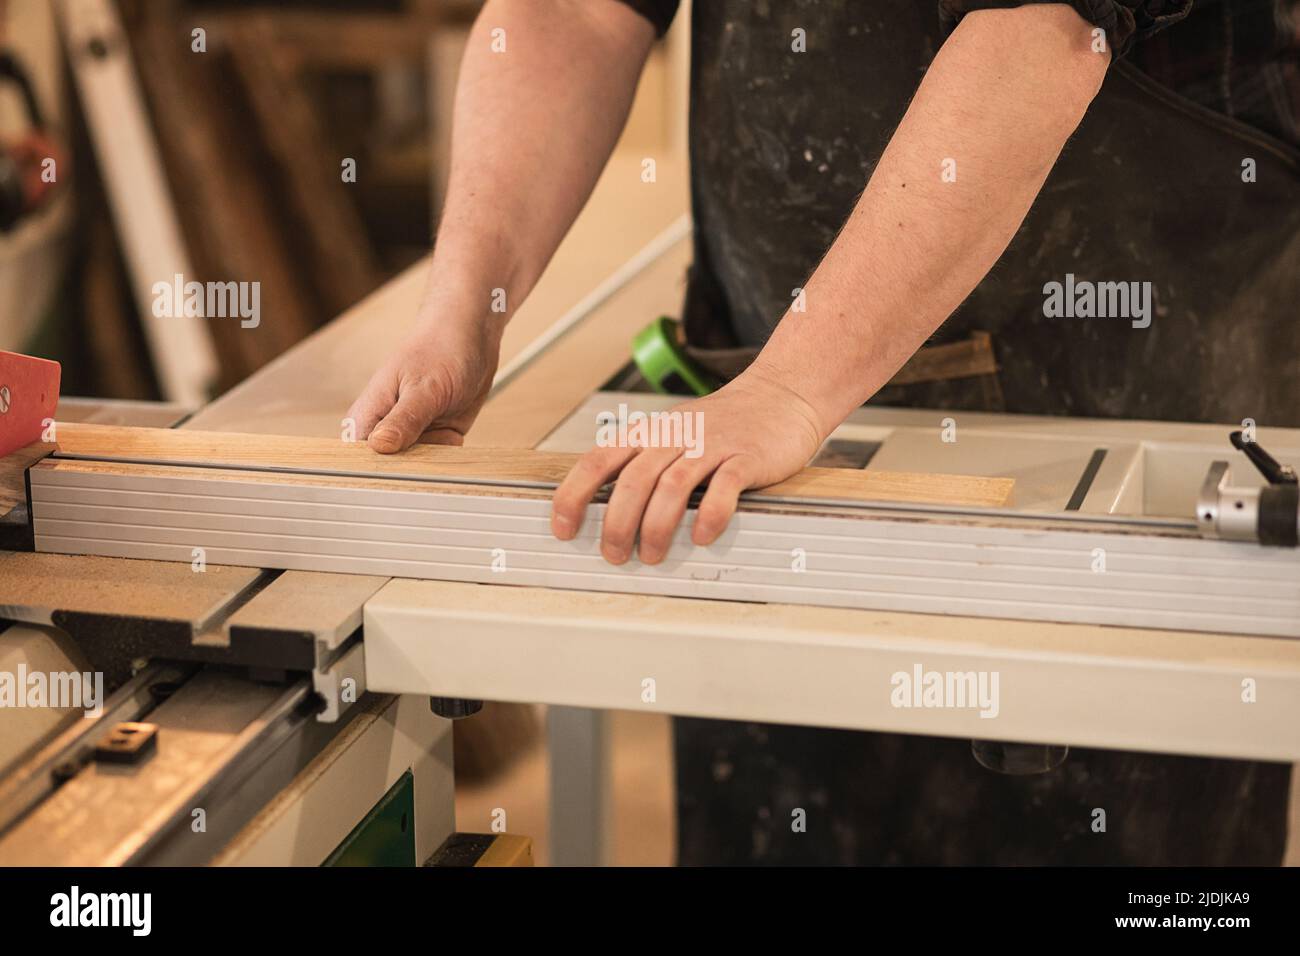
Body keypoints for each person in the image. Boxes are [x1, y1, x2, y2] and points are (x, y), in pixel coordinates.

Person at [349, 0, 1298, 864]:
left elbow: (1040, 29)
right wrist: (464, 313)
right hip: (768, 396)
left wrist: (796, 389)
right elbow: (574, 15)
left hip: (1129, 368)